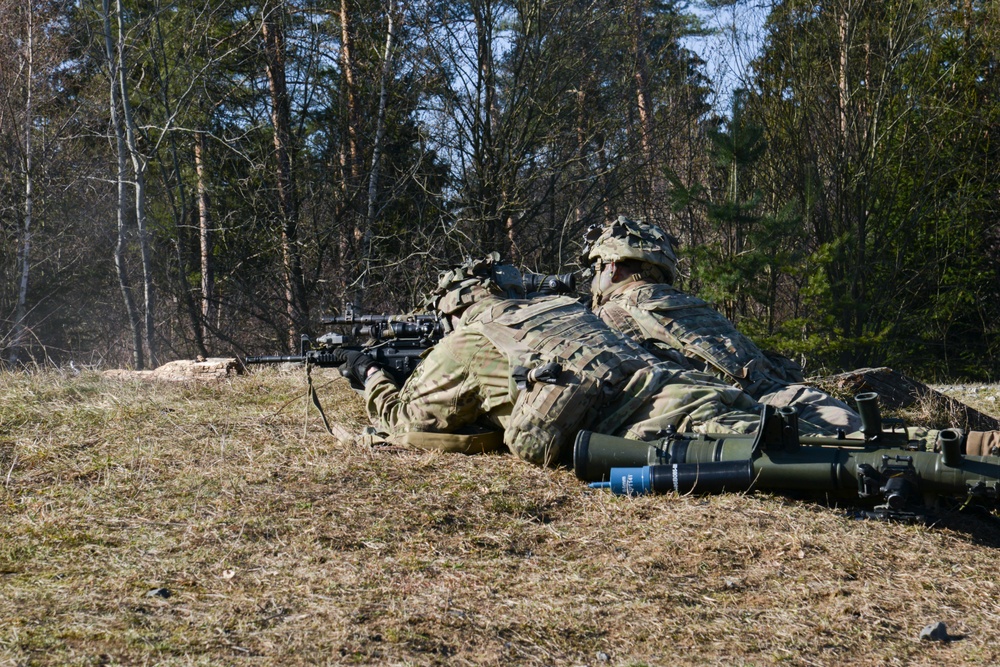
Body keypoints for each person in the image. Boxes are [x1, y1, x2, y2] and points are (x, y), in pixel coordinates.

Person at [336, 254, 844, 467]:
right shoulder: (563, 308)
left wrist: (371, 375)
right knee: (824, 438)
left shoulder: (466, 340)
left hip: (654, 425)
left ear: (455, 304)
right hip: (686, 392)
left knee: (817, 460)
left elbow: (409, 420)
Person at [582, 216, 864, 434]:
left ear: (612, 267)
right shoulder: (687, 301)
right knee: (865, 437)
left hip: (734, 414)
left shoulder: (612, 312)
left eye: (595, 270)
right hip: (786, 393)